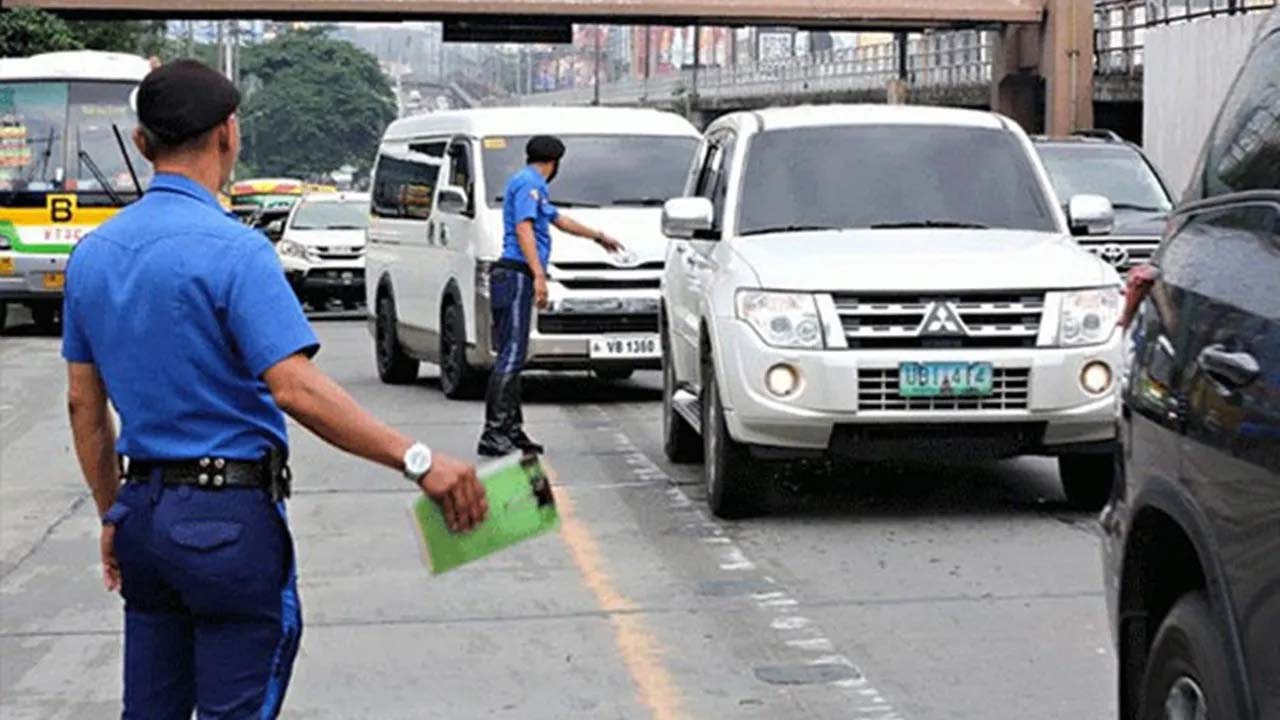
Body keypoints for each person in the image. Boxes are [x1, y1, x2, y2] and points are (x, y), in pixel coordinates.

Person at [62, 59, 487, 719]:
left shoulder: (93, 255)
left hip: (142, 517)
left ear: (142, 145)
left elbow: (83, 408)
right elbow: (296, 389)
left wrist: (114, 512)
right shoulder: (239, 253)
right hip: (227, 527)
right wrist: (419, 459)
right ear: (230, 135)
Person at [477, 136, 624, 457]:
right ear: (555, 162)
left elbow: (559, 219)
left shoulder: (531, 185)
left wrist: (598, 237)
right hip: (516, 273)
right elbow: (524, 229)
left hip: (516, 274)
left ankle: (511, 430)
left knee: (514, 354)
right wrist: (539, 275)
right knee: (512, 355)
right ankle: (495, 432)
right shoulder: (529, 185)